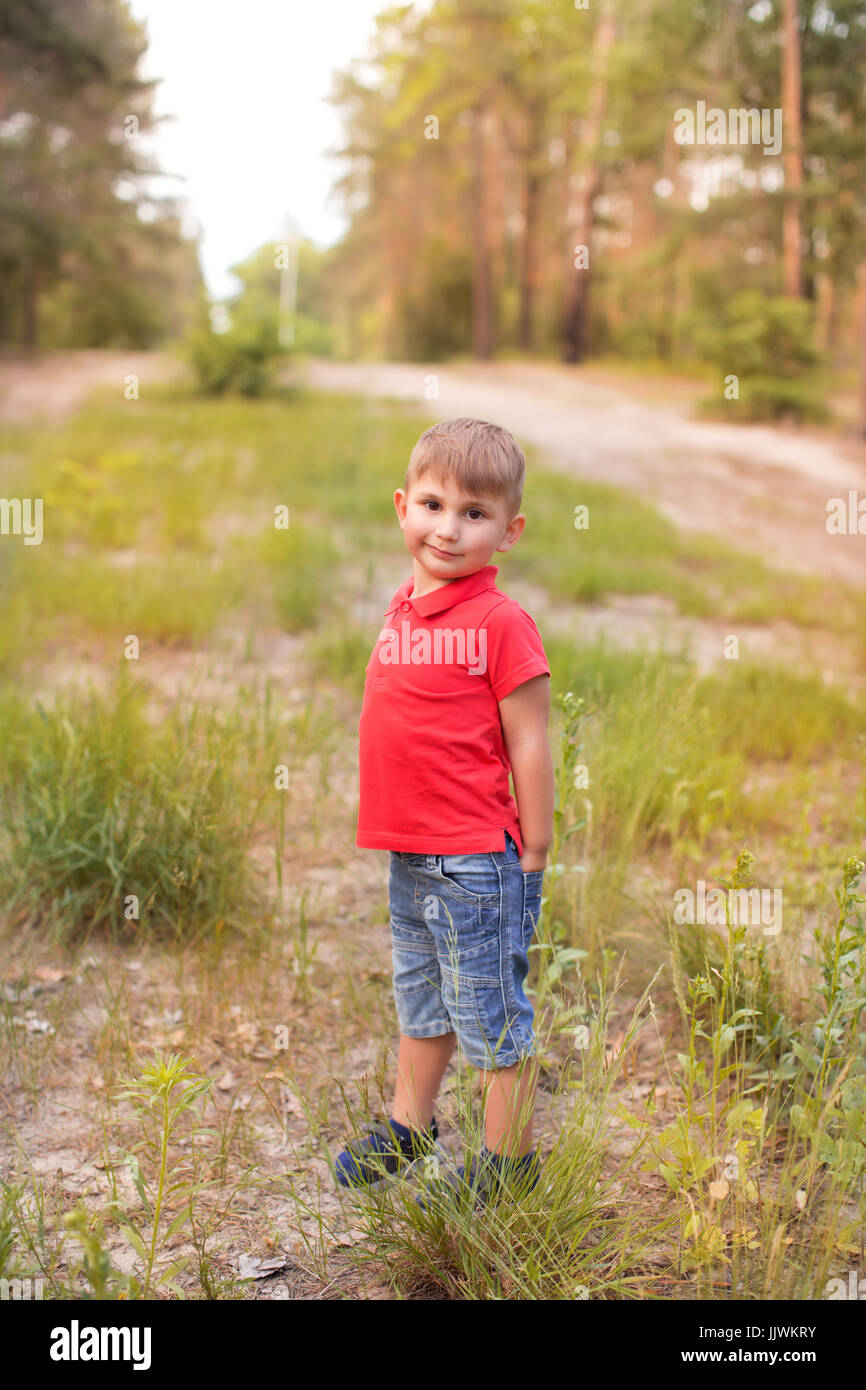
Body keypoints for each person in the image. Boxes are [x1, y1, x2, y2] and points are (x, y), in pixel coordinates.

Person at [335, 416, 554, 1203]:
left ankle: (508, 1168)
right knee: (421, 997)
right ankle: (410, 1125)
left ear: (509, 531)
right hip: (413, 852)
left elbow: (529, 738)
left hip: (476, 858)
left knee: (489, 1013)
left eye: (475, 513)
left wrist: (535, 847)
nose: (449, 529)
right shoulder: (403, 607)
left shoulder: (501, 623)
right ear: (402, 507)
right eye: (433, 505)